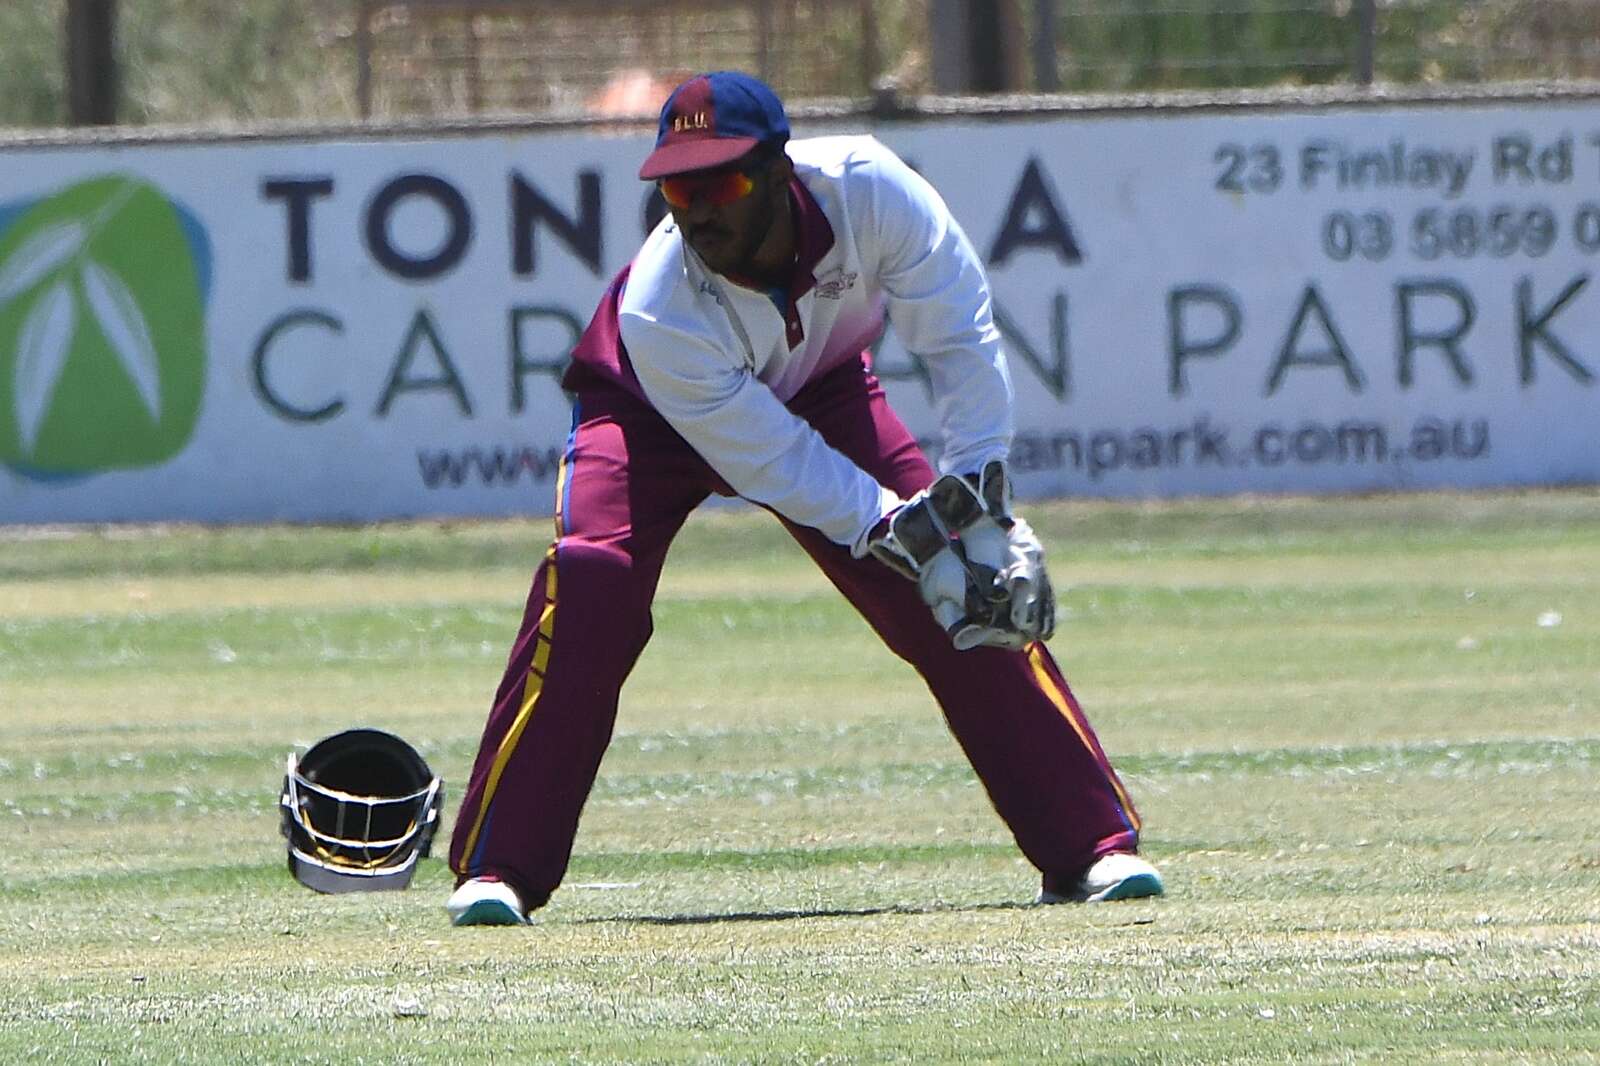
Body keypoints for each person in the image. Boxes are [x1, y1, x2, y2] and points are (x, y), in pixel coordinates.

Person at [444, 71, 1163, 926]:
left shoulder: (871, 188)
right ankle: (501, 868)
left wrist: (976, 502)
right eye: (679, 186)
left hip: (819, 384)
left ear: (782, 168)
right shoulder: (659, 311)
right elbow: (779, 463)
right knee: (595, 581)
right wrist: (897, 525)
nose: (699, 208)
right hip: (643, 408)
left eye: (723, 182)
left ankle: (1090, 848)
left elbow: (961, 335)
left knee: (962, 587)